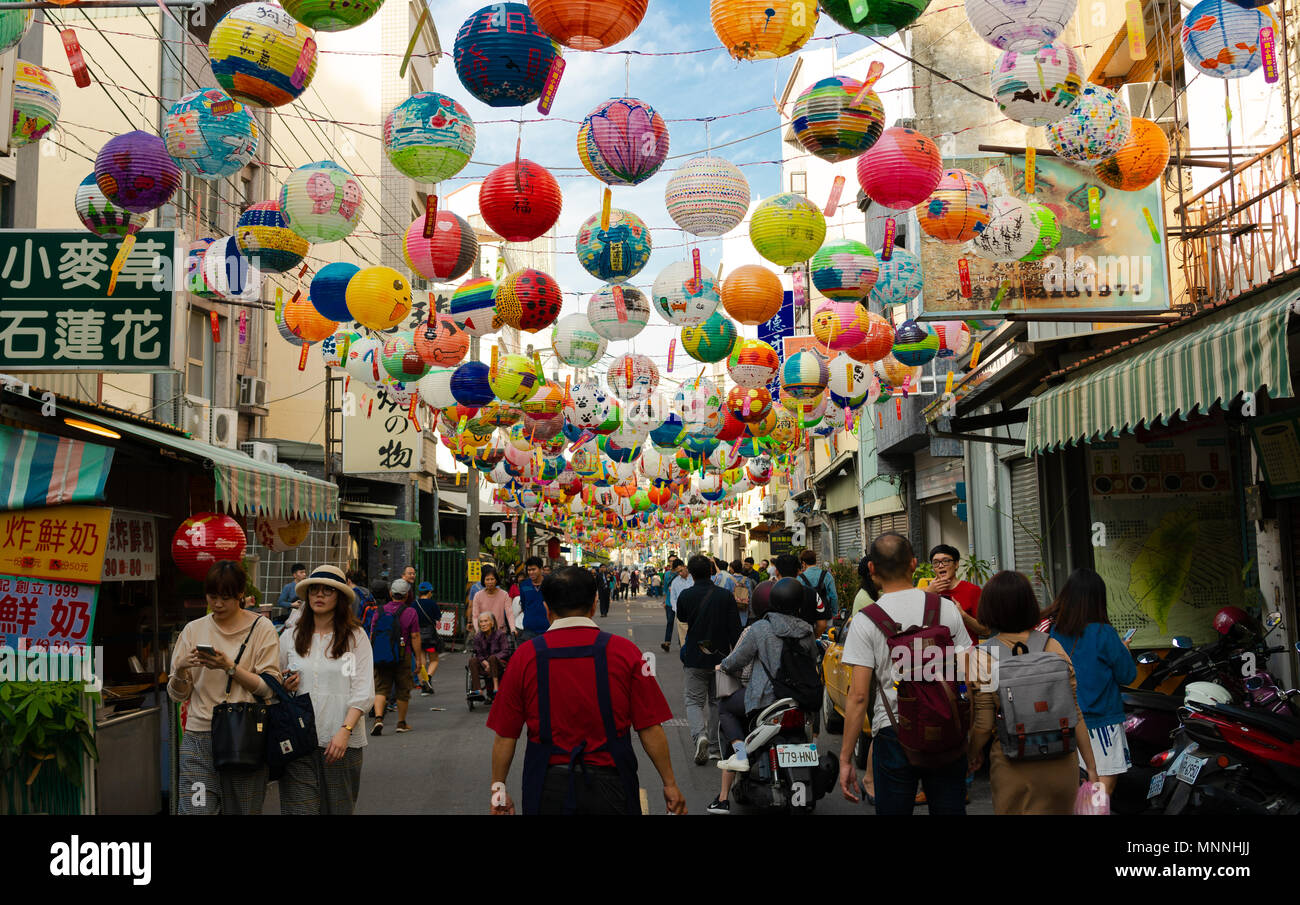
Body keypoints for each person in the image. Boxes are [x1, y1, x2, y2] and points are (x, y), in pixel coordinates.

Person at [487, 566, 687, 815]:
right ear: (594, 604)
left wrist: (499, 791)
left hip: (547, 787)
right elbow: (649, 726)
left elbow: (505, 735)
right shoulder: (627, 653)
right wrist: (670, 784)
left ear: (547, 608)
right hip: (612, 786)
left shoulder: (524, 657)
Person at [836, 533, 973, 815]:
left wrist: (846, 758)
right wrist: (970, 732)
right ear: (914, 564)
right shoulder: (945, 608)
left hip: (893, 732)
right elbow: (970, 676)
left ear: (872, 569)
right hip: (946, 726)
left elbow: (859, 696)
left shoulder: (866, 620)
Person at [967, 571, 1099, 815]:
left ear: (989, 608)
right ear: (1029, 604)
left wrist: (971, 755)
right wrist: (1091, 766)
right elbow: (1075, 712)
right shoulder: (1052, 645)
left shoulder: (982, 656)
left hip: (1013, 766)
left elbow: (984, 725)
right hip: (1062, 764)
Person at [168, 560, 281, 815]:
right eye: (212, 596)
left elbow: (269, 689)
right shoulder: (193, 630)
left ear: (241, 594)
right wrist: (182, 669)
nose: (217, 604)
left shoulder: (261, 628)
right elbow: (178, 694)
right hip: (199, 737)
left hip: (245, 736)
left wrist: (230, 667)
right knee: (195, 811)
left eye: (225, 598)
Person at [711, 577, 818, 809]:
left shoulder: (760, 628)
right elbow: (812, 661)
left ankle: (739, 752)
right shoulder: (807, 630)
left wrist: (724, 665)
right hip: (797, 701)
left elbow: (736, 660)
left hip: (764, 700)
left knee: (726, 707)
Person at [278, 565, 375, 815]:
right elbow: (274, 681)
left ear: (339, 597)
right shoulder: (291, 637)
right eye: (314, 590)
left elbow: (362, 690)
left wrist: (345, 731)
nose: (319, 596)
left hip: (341, 743)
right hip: (298, 743)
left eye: (328, 591)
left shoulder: (355, 637)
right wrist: (284, 685)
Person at [1048, 568, 1137, 797]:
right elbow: (1128, 676)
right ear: (1098, 599)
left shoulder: (1054, 632)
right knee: (1100, 793)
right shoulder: (1104, 633)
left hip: (1064, 724)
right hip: (1101, 724)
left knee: (1074, 794)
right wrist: (1124, 651)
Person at [677, 554, 743, 766]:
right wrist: (737, 658)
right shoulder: (725, 596)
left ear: (691, 573)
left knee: (694, 701)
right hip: (721, 659)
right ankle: (714, 747)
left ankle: (700, 736)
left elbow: (682, 618)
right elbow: (736, 631)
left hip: (694, 658)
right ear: (712, 571)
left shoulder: (686, 595)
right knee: (716, 702)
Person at [368, 578, 424, 735]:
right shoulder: (410, 612)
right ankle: (401, 723)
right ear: (407, 595)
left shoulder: (378, 611)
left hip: (381, 655)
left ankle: (379, 719)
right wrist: (418, 659)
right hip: (402, 655)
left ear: (391, 593)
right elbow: (415, 637)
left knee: (381, 689)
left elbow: (372, 635)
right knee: (402, 690)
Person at [928, 544, 987, 639]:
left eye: (946, 561)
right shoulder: (928, 592)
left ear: (956, 564)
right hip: (937, 652)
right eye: (935, 562)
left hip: (965, 652)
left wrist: (963, 615)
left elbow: (985, 631)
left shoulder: (972, 590)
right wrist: (928, 595)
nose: (940, 565)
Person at [775, 553, 830, 634]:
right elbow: (822, 624)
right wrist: (812, 638)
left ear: (776, 571)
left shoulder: (769, 593)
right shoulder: (812, 593)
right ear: (798, 571)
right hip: (805, 642)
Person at [468, 612, 510, 703]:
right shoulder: (478, 637)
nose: (483, 624)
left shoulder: (500, 634)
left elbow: (505, 651)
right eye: (481, 622)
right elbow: (478, 653)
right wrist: (485, 662)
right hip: (485, 666)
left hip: (499, 665)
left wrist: (491, 661)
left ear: (492, 623)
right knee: (472, 660)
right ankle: (477, 690)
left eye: (486, 621)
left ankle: (496, 687)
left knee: (492, 658)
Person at [412, 582, 442, 695]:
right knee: (434, 659)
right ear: (429, 592)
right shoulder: (432, 603)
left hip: (418, 636)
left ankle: (423, 683)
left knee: (421, 660)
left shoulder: (414, 604)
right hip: (430, 637)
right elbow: (438, 618)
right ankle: (428, 678)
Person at [471, 566, 513, 641]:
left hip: (500, 633)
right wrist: (477, 630)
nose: (490, 582)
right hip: (483, 634)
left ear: (496, 580)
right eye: (487, 579)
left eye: (492, 579)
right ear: (483, 581)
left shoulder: (504, 595)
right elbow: (475, 616)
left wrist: (513, 628)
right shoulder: (478, 595)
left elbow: (509, 613)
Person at [514, 557, 548, 643]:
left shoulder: (549, 583)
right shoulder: (524, 585)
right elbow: (524, 605)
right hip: (529, 629)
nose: (531, 572)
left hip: (547, 628)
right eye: (529, 570)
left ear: (540, 569)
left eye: (533, 569)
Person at [798, 549, 840, 619]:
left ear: (803, 563)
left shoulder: (800, 578)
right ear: (816, 561)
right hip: (825, 615)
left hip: (807, 616)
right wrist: (834, 613)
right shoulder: (827, 575)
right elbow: (834, 596)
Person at [662, 558, 691, 653]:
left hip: (694, 611)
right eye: (678, 572)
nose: (680, 574)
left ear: (685, 566)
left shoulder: (694, 578)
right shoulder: (675, 581)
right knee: (672, 624)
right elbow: (672, 597)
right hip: (679, 610)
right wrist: (677, 609)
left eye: (681, 571)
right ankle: (682, 649)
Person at [729, 560, 755, 626]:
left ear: (732, 568)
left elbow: (726, 594)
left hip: (732, 607)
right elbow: (750, 595)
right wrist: (751, 610)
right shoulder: (747, 580)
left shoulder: (729, 579)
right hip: (744, 607)